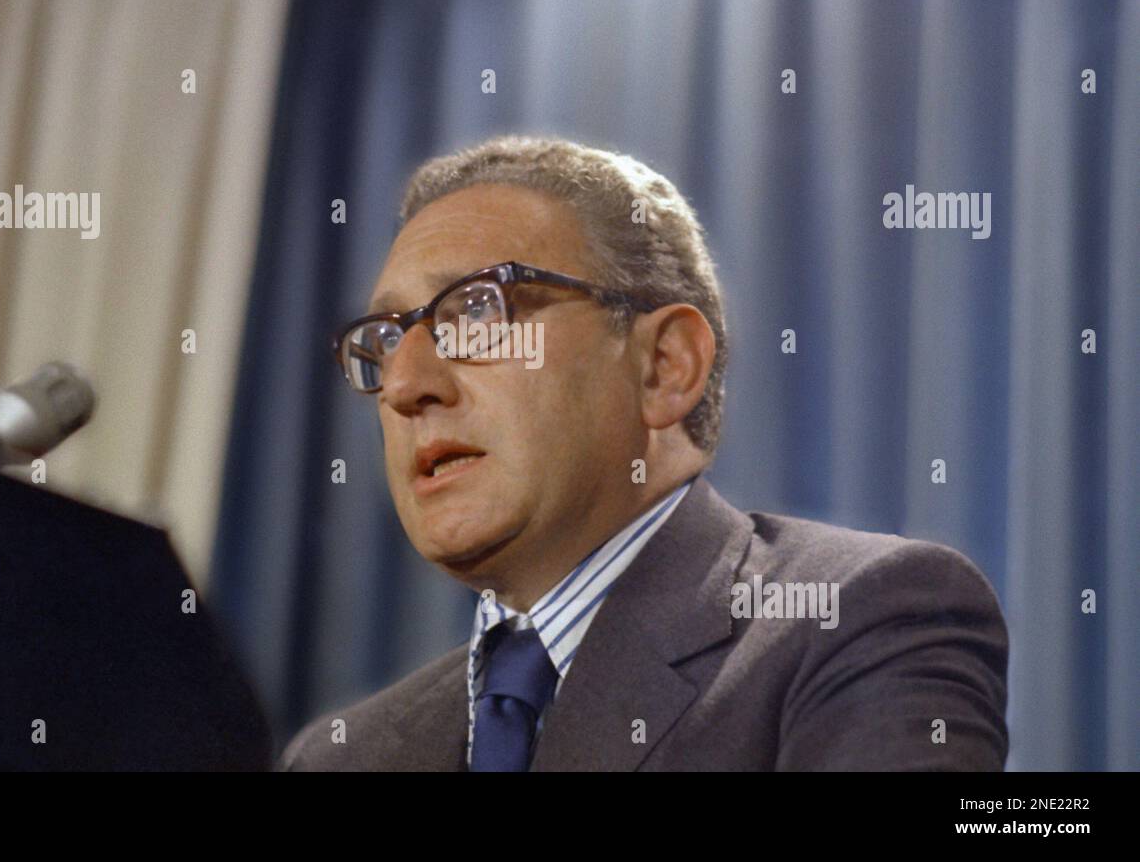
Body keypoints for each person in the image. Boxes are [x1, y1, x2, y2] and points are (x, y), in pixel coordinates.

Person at [277, 135, 1009, 771]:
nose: (404, 384)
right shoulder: (340, 756)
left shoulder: (856, 621)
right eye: (382, 341)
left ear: (665, 366)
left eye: (474, 310)